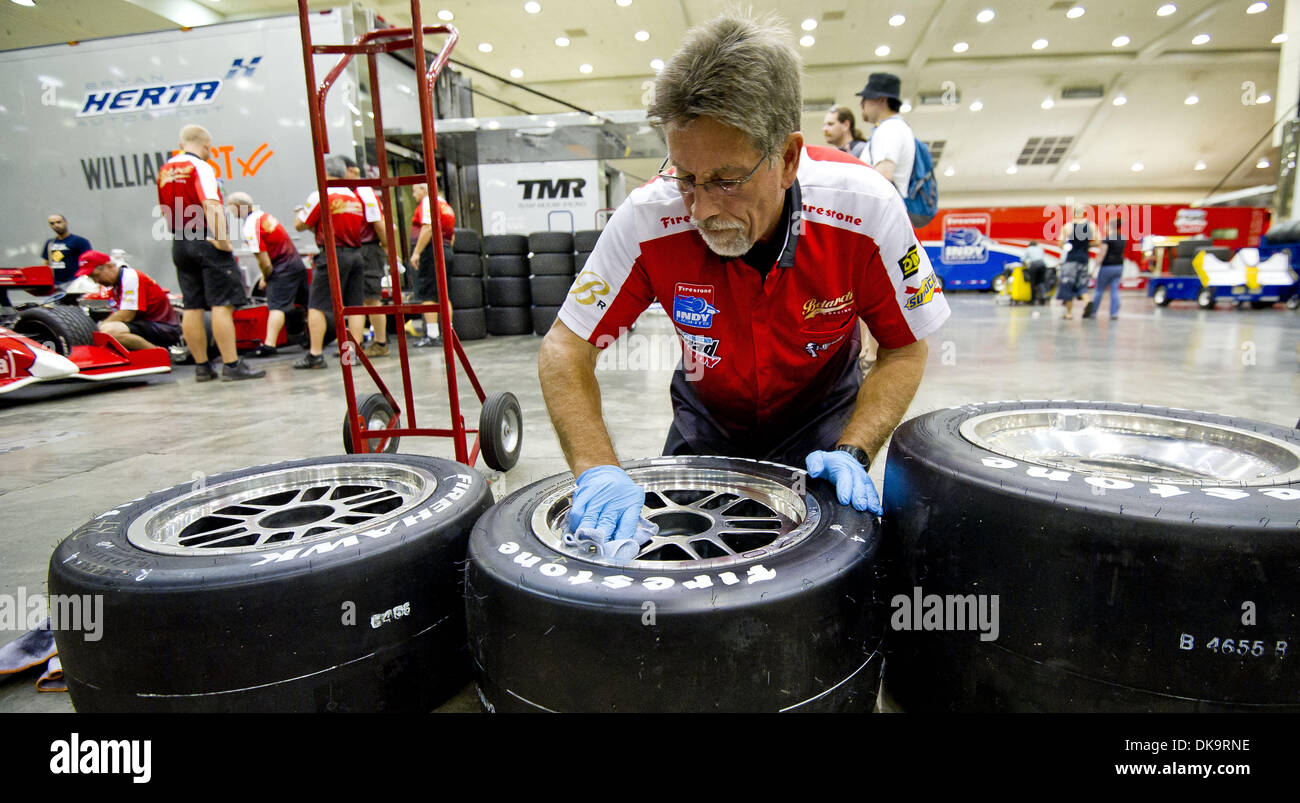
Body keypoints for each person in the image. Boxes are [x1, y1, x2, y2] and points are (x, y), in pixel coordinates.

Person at [537, 11, 950, 543]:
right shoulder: (647, 218)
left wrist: (855, 448)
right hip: (706, 420)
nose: (703, 208)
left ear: (788, 158)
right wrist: (596, 469)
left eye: (726, 181)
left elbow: (905, 348)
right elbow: (565, 349)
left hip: (822, 420)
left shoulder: (867, 208)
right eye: (686, 177)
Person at [155, 124, 264, 381]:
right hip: (206, 239)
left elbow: (163, 210)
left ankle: (202, 367)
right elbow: (211, 205)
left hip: (180, 240)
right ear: (206, 145)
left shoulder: (165, 170)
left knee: (192, 306)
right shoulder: (201, 167)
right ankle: (232, 365)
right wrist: (223, 241)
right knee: (221, 305)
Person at [293, 156, 378, 368]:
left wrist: (299, 215)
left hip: (332, 255)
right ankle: (351, 354)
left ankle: (315, 355)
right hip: (356, 254)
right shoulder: (353, 198)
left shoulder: (321, 195)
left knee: (317, 305)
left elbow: (300, 224)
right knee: (354, 305)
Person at [226, 192, 308, 358]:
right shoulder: (263, 216)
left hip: (282, 267)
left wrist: (267, 277)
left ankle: (269, 345)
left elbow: (264, 261)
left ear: (237, 206)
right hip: (296, 263)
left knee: (277, 306)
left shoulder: (250, 226)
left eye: (230, 206)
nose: (229, 210)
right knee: (309, 303)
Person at [74, 250, 181, 350]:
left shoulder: (130, 277)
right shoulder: (116, 285)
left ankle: (158, 354)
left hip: (164, 329)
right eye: (91, 278)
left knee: (108, 330)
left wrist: (97, 329)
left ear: (109, 266)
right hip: (147, 325)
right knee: (106, 328)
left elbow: (127, 314)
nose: (96, 281)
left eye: (96, 276)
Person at [341, 155, 392, 357]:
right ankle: (358, 346)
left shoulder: (363, 191)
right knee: (358, 300)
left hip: (367, 249)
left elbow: (378, 223)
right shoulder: (350, 192)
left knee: (369, 299)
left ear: (352, 171)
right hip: (356, 249)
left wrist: (387, 247)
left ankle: (377, 344)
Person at [407, 182, 456, 348]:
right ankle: (448, 333)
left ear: (423, 189)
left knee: (428, 295)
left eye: (414, 191)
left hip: (431, 252)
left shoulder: (428, 202)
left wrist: (417, 252)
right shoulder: (446, 206)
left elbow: (428, 227)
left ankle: (432, 335)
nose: (414, 195)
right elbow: (452, 235)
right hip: (445, 250)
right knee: (444, 294)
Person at [858, 73, 915, 198]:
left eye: (865, 99)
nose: (861, 104)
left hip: (881, 212)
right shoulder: (894, 127)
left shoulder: (890, 129)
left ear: (882, 100)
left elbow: (883, 176)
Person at [1057, 205, 1095, 319]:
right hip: (1084, 259)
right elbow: (1098, 241)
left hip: (1071, 260)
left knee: (1068, 286)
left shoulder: (1067, 226)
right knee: (1082, 285)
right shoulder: (1091, 226)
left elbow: (1060, 244)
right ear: (1084, 214)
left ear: (1072, 214)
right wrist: (1086, 246)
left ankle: (1069, 313)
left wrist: (1069, 246)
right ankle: (1087, 301)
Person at [1089, 218, 1126, 320]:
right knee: (1115, 290)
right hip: (1119, 266)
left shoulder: (1107, 239)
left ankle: (1093, 312)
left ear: (1109, 226)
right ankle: (1114, 313)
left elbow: (1102, 254)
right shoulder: (1122, 239)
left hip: (1107, 267)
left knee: (1099, 290)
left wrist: (1093, 269)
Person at [42, 215, 93, 286]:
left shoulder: (79, 241)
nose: (56, 225)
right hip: (56, 285)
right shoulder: (50, 243)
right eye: (52, 223)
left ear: (65, 222)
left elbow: (90, 262)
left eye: (58, 222)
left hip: (75, 283)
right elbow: (46, 263)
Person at [1022, 240, 1049, 305]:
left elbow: (1023, 259)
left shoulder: (1028, 249)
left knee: (1033, 282)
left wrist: (1025, 265)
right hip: (1042, 265)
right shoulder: (1040, 248)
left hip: (1034, 265)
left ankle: (1032, 300)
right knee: (1041, 282)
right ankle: (1043, 298)